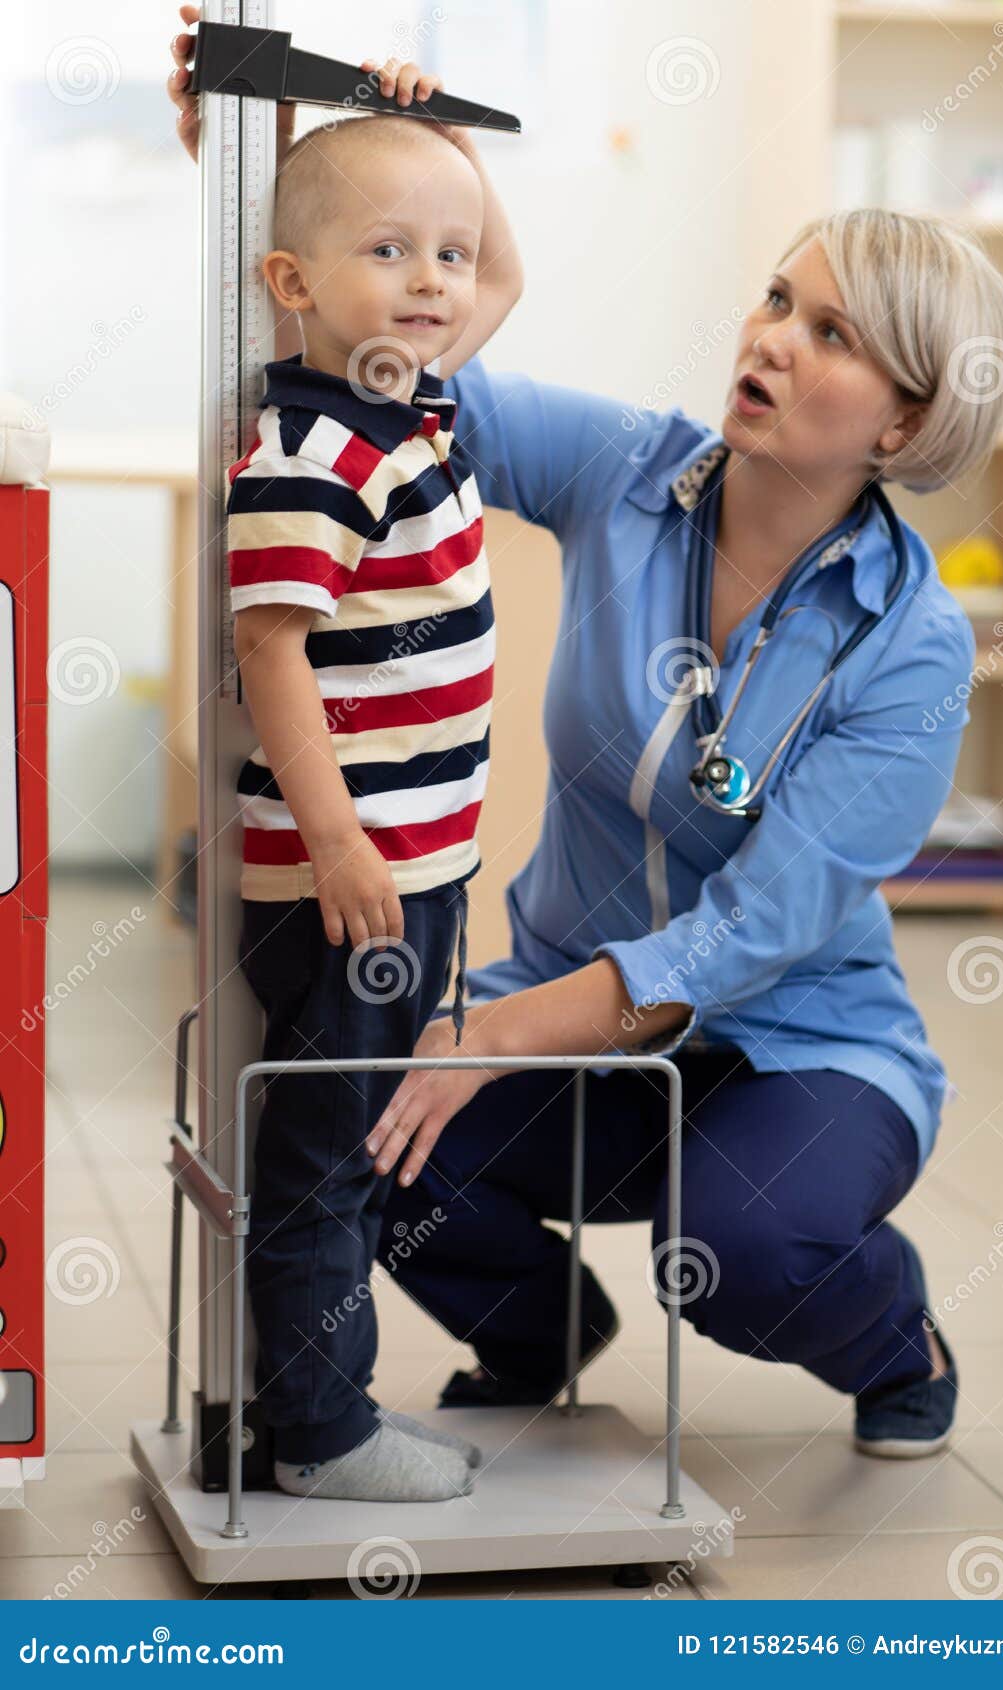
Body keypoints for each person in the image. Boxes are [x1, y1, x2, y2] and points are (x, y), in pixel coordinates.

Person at [169, 15, 1003, 1462]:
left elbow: (747, 939)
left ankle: (898, 1333)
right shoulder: (633, 470)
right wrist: (270, 167)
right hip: (573, 1000)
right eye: (775, 299)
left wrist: (488, 1035)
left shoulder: (916, 642)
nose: (768, 340)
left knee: (736, 1245)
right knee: (361, 1138)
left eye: (830, 337)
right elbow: (392, 367)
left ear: (907, 418)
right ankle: (540, 1328)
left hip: (796, 1045)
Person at [192, 38, 523, 1500]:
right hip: (353, 876)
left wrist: (440, 133)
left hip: (412, 867)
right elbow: (271, 655)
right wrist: (337, 843)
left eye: (444, 253)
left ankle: (332, 1410)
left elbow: (503, 273)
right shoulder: (311, 450)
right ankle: (321, 1436)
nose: (441, 280)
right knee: (329, 1150)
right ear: (295, 284)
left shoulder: (413, 397)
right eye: (391, 252)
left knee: (360, 1129)